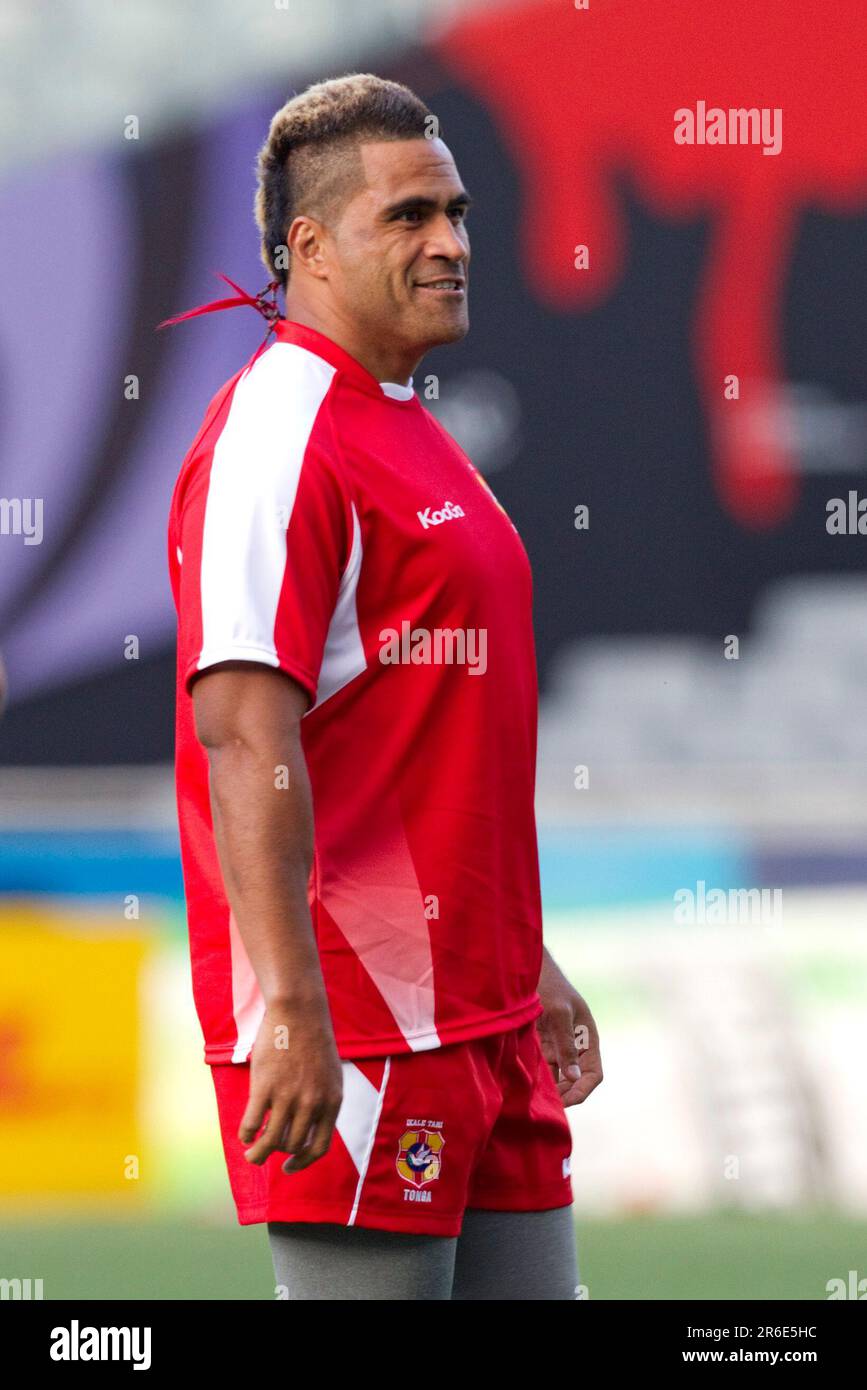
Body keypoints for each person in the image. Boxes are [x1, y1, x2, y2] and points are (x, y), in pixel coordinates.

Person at [167, 71, 602, 1301]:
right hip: (361, 1028)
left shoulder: (403, 421)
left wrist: (529, 965)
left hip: (484, 1017)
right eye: (407, 216)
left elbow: (424, 744)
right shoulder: (278, 433)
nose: (452, 243)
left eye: (456, 212)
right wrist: (292, 1011)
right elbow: (243, 734)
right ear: (307, 246)